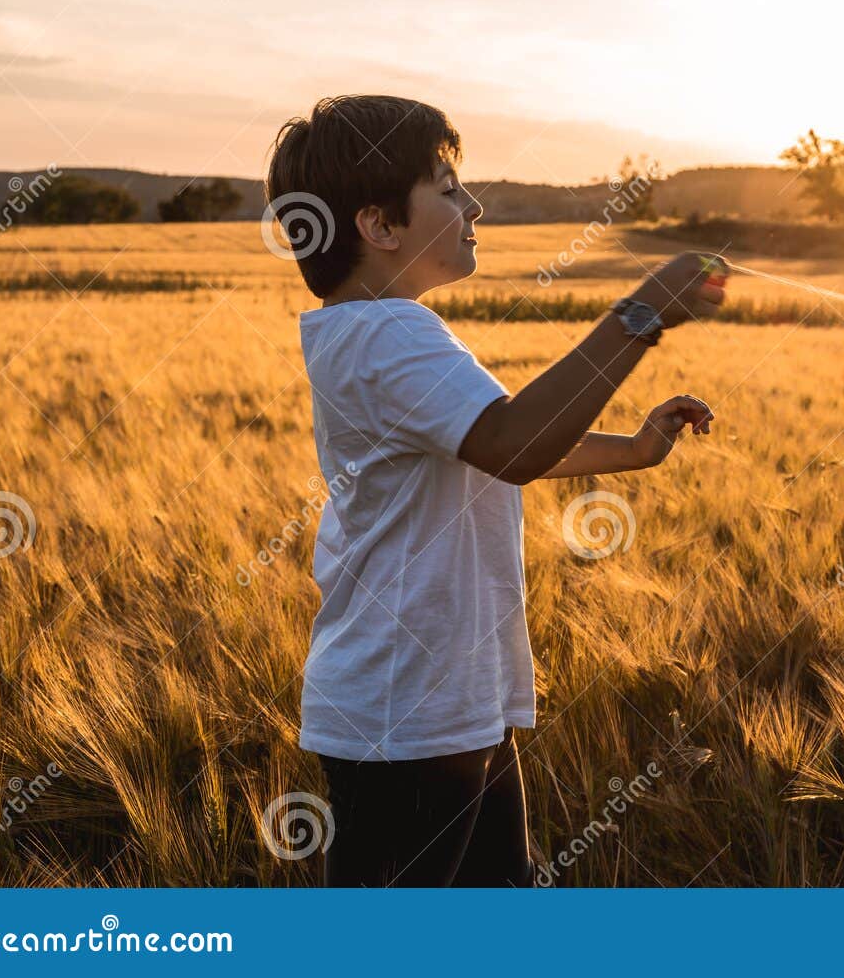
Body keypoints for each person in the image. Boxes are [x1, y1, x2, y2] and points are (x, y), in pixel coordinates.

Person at [265, 94, 726, 886]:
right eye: (447, 188)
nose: (472, 203)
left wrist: (637, 448)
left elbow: (493, 443)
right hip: (413, 711)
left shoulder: (368, 328)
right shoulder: (387, 330)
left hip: (437, 695)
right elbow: (512, 444)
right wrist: (641, 314)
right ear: (379, 226)